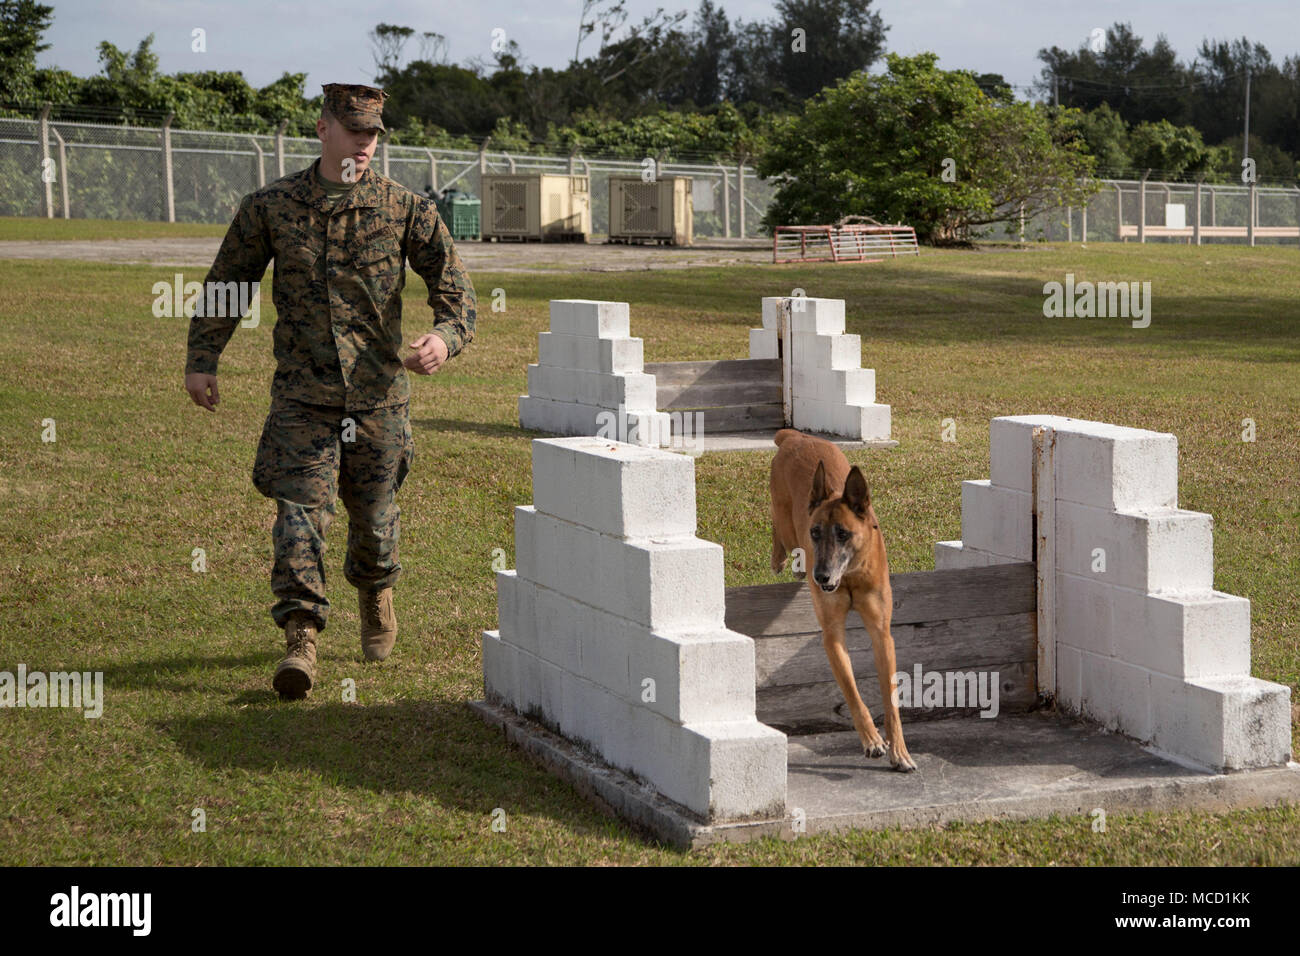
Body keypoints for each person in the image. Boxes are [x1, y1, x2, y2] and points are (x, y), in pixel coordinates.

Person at [184, 83, 476, 699]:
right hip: (302, 396)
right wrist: (203, 356)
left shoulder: (406, 208)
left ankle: (375, 592)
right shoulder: (271, 206)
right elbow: (227, 282)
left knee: (372, 521)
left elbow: (456, 291)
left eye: (374, 134)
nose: (366, 144)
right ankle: (302, 634)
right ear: (323, 130)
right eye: (355, 131)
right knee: (299, 514)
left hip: (377, 399)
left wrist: (445, 338)